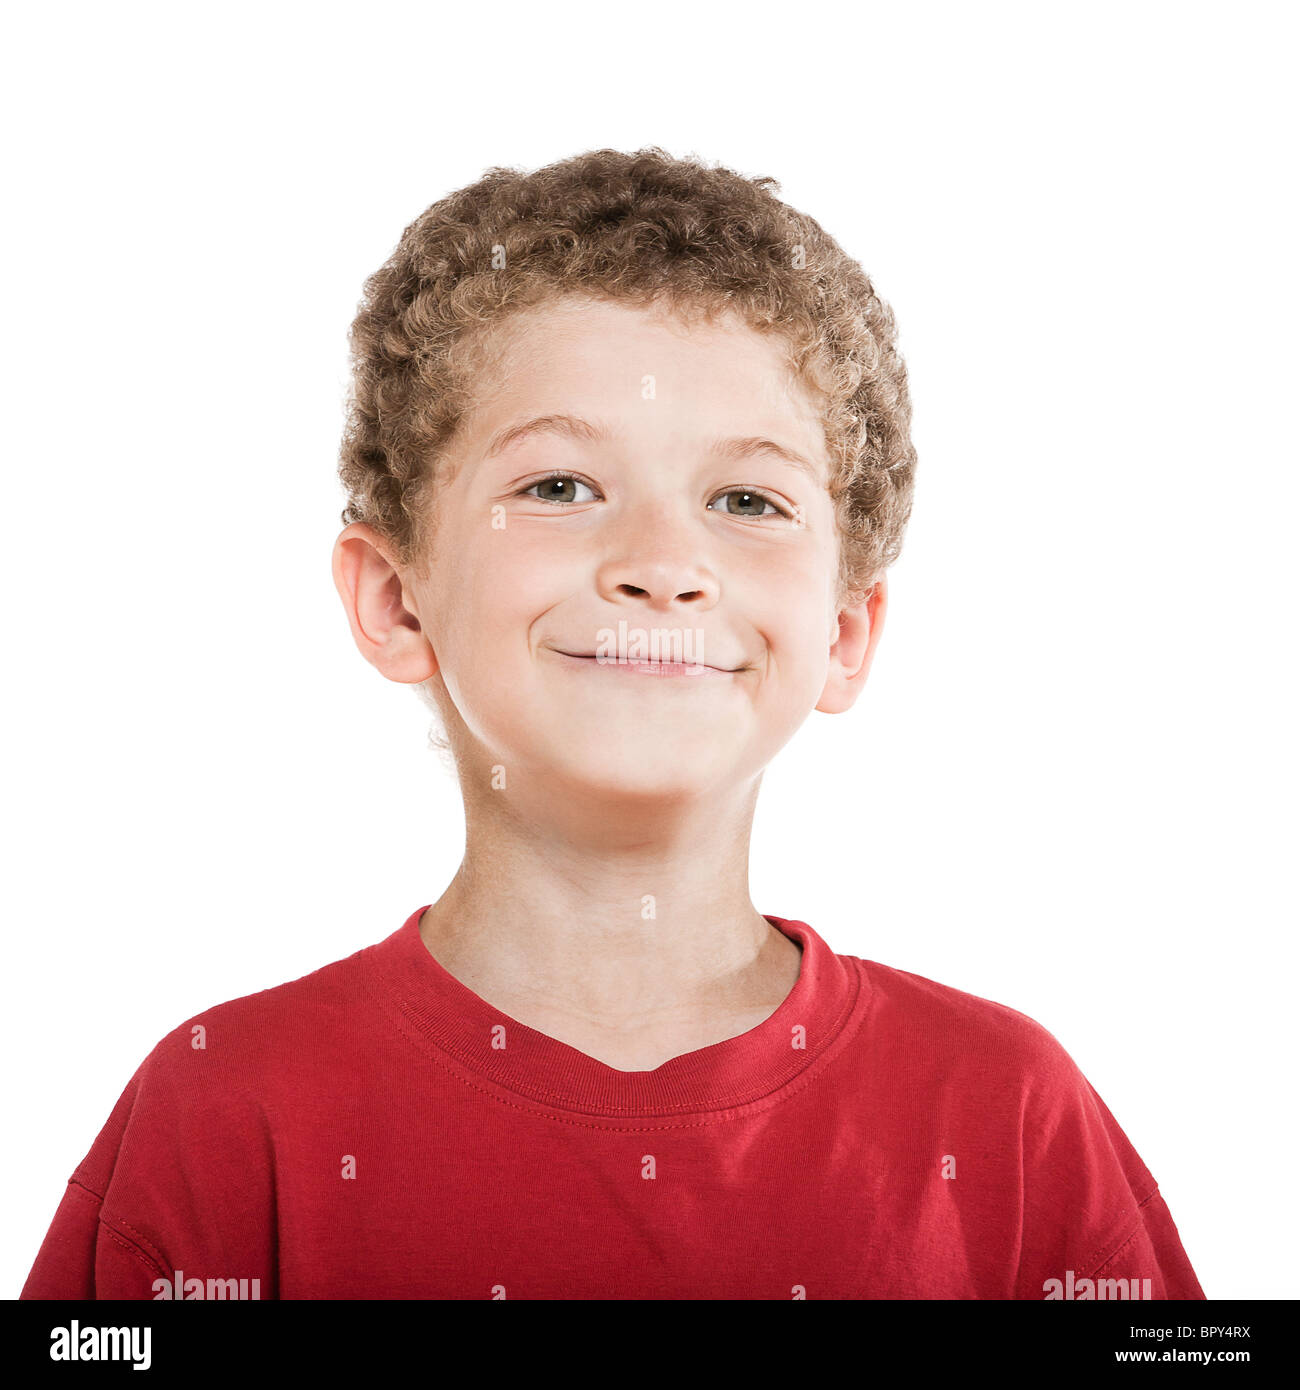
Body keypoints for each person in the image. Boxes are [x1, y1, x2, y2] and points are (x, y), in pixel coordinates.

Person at [21, 147, 1204, 1300]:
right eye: (558, 487)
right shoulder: (227, 1114)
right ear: (394, 598)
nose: (660, 564)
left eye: (746, 500)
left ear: (844, 633)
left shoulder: (1006, 1111)